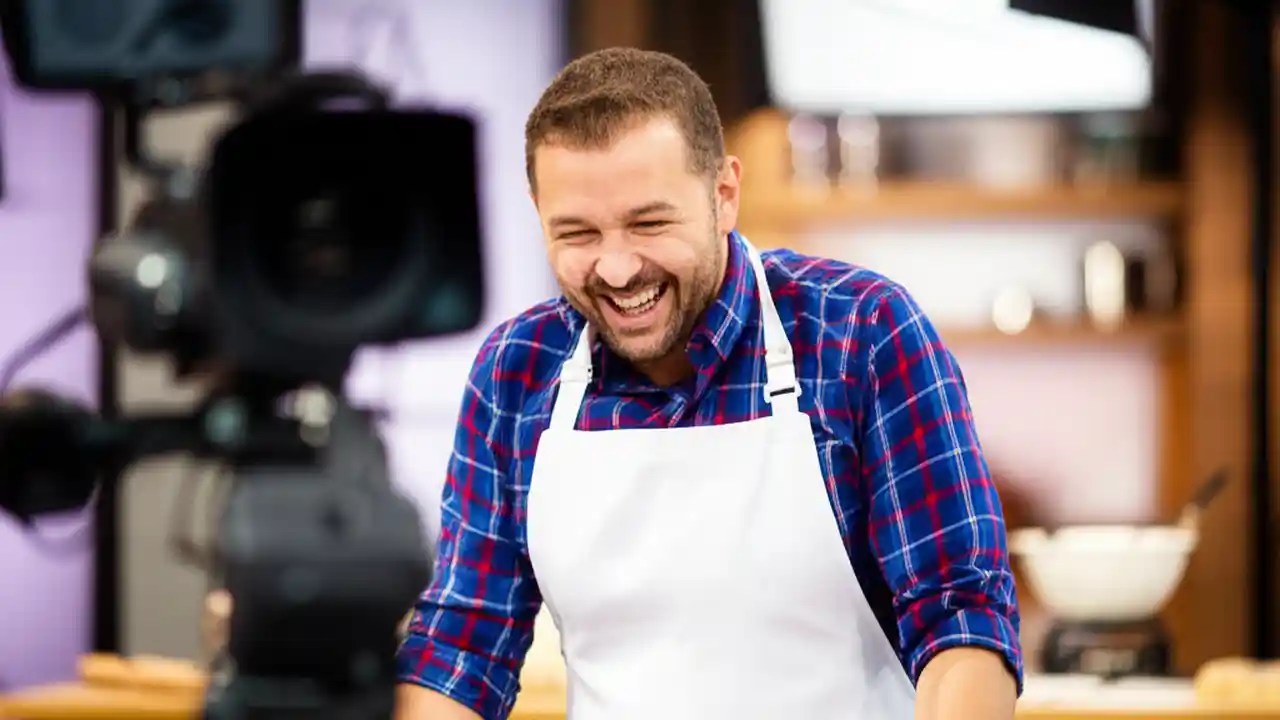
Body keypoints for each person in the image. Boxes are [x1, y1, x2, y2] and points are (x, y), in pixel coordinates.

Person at [395, 47, 1022, 720]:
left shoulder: (862, 334)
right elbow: (463, 644)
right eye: (576, 232)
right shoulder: (517, 370)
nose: (615, 267)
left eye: (649, 222)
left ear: (724, 193)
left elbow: (960, 615)